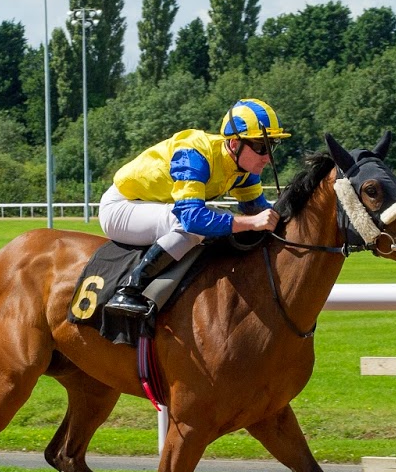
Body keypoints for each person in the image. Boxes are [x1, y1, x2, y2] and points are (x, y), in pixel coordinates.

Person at [98, 98, 290, 319]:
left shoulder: (245, 168)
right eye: (260, 146)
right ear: (235, 144)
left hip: (156, 205)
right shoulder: (194, 154)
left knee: (225, 221)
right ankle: (129, 290)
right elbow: (192, 219)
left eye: (272, 145)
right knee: (192, 225)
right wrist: (250, 222)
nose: (267, 157)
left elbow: (257, 210)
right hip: (122, 207)